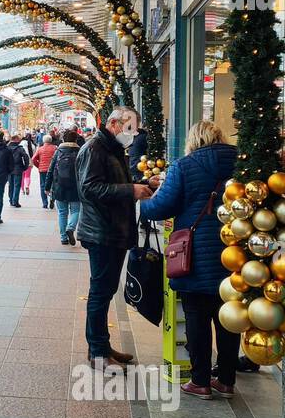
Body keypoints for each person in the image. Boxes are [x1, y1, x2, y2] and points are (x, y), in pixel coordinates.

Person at [140, 121, 239, 399]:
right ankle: (227, 380)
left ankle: (200, 381)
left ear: (193, 140)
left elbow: (163, 207)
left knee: (197, 316)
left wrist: (140, 205)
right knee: (229, 317)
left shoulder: (184, 165)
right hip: (236, 252)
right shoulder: (240, 161)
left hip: (196, 254)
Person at [76, 107, 152, 369]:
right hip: (101, 232)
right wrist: (130, 190)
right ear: (113, 124)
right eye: (129, 128)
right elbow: (89, 188)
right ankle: (98, 352)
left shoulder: (111, 149)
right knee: (100, 292)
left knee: (105, 291)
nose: (132, 134)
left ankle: (102, 347)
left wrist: (142, 185)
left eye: (135, 129)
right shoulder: (95, 148)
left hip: (112, 230)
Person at [47, 129, 83, 244]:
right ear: (76, 139)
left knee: (62, 213)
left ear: (63, 139)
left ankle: (63, 238)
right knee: (76, 210)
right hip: (76, 187)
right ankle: (70, 228)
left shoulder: (59, 152)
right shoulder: (80, 152)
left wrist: (47, 187)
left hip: (59, 186)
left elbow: (51, 170)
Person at [33, 131, 58, 208]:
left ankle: (45, 203)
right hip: (53, 170)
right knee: (53, 185)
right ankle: (52, 199)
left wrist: (39, 166)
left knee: (43, 185)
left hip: (43, 170)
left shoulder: (40, 149)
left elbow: (34, 159)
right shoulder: (55, 148)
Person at [7, 134, 30, 207]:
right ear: (16, 139)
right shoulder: (20, 148)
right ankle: (15, 201)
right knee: (17, 185)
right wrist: (25, 166)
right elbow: (26, 157)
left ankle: (11, 200)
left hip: (9, 169)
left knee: (11, 185)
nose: (20, 141)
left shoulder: (7, 148)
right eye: (19, 139)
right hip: (18, 168)